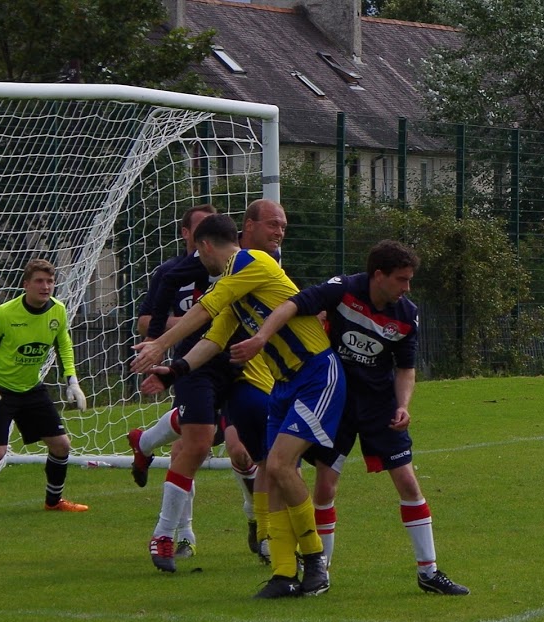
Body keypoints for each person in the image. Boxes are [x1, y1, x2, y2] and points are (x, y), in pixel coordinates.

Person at [230, 240, 470, 596]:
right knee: (325, 486)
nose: (407, 287)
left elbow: (405, 369)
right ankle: (320, 573)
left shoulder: (406, 314)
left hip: (378, 406)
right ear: (378, 276)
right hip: (335, 400)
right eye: (402, 279)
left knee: (407, 481)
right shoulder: (342, 290)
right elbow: (292, 304)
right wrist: (262, 337)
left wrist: (404, 405)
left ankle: (429, 571)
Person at [131, 213, 340, 599]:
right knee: (272, 468)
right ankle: (282, 572)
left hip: (313, 373)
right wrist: (172, 369)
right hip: (284, 382)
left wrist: (160, 344)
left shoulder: (250, 262)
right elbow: (212, 339)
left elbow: (206, 308)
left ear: (205, 246)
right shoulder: (237, 291)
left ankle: (314, 562)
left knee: (277, 465)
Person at [127, 200, 289, 569]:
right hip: (199, 361)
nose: (278, 233)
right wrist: (160, 350)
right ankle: (166, 534)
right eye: (273, 224)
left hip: (245, 363)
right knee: (197, 442)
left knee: (257, 452)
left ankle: (265, 531)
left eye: (281, 226)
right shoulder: (184, 268)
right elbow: (194, 311)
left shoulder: (262, 263)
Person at [0, 259, 88, 517]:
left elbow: (63, 343)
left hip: (32, 389)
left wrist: (72, 381)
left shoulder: (58, 310)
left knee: (61, 445)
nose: (45, 287)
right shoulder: (5, 313)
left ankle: (53, 501)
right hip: (1, 390)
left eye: (50, 281)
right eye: (39, 281)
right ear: (26, 285)